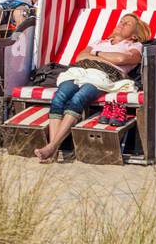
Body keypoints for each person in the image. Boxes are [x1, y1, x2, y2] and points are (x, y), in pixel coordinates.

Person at [35, 14, 149, 164]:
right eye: (121, 21)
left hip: (102, 76)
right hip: (79, 71)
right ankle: (52, 150)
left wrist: (95, 54)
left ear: (135, 35)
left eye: (127, 24)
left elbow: (122, 59)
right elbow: (80, 57)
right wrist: (105, 57)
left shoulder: (134, 46)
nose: (121, 24)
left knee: (78, 98)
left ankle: (52, 147)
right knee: (60, 97)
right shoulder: (100, 41)